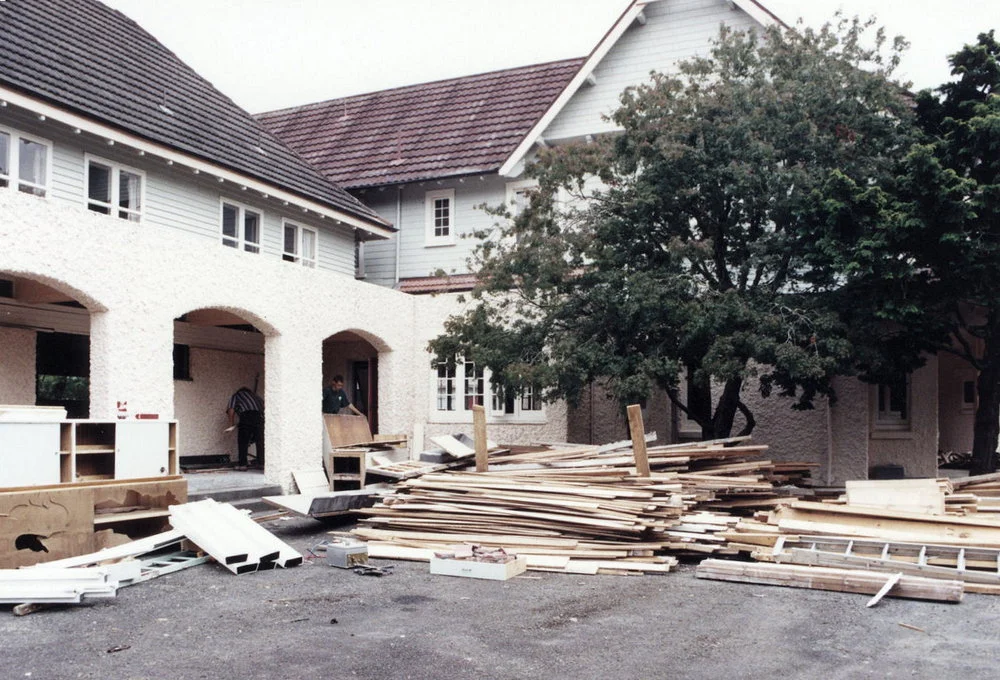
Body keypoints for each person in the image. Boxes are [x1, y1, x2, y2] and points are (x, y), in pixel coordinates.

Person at [226, 386, 264, 469]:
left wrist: (231, 424)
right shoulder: (256, 396)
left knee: (243, 441)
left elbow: (231, 409)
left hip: (246, 416)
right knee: (260, 441)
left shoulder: (236, 395)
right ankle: (261, 463)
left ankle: (243, 465)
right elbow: (264, 407)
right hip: (259, 417)